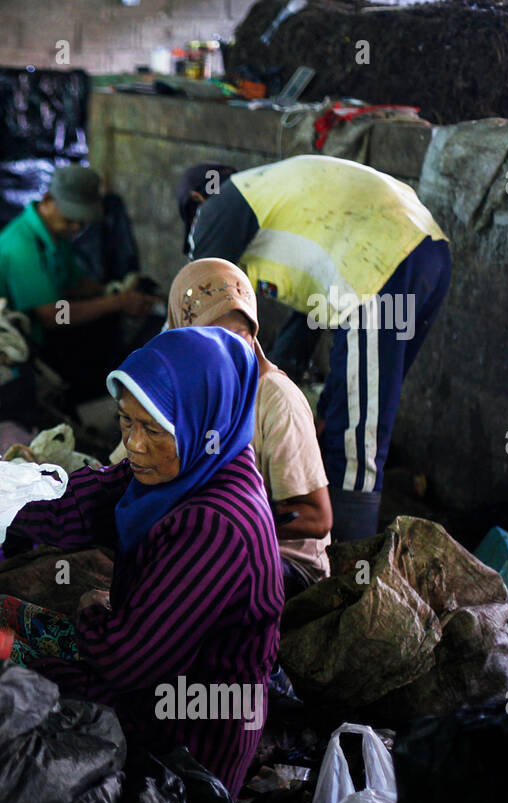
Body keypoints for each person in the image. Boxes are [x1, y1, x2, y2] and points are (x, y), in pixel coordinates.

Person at [0, 327, 283, 796]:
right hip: (141, 677)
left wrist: (93, 606)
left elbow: (124, 662)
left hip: (178, 742)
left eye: (153, 429)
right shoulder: (190, 465)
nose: (133, 444)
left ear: (203, 421)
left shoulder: (216, 525)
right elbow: (79, 502)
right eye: (126, 422)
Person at [177, 155, 452, 540]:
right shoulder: (280, 202)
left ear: (196, 200)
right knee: (354, 407)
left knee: (358, 428)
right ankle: (341, 537)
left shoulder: (218, 208)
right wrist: (303, 409)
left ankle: (347, 555)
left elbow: (184, 324)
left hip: (383, 259)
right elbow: (306, 323)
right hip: (427, 250)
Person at [163, 258, 331, 600]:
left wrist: (226, 525)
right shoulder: (184, 390)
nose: (230, 352)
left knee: (201, 578)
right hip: (206, 545)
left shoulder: (276, 399)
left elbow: (317, 517)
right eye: (212, 340)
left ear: (254, 331)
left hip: (284, 563)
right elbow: (129, 466)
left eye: (241, 336)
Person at [0, 165, 153, 403]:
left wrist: (110, 289)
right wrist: (116, 302)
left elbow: (72, 283)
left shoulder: (54, 235)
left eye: (81, 223)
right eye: (70, 219)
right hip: (21, 343)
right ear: (47, 200)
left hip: (49, 331)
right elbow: (52, 315)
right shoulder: (20, 247)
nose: (76, 228)